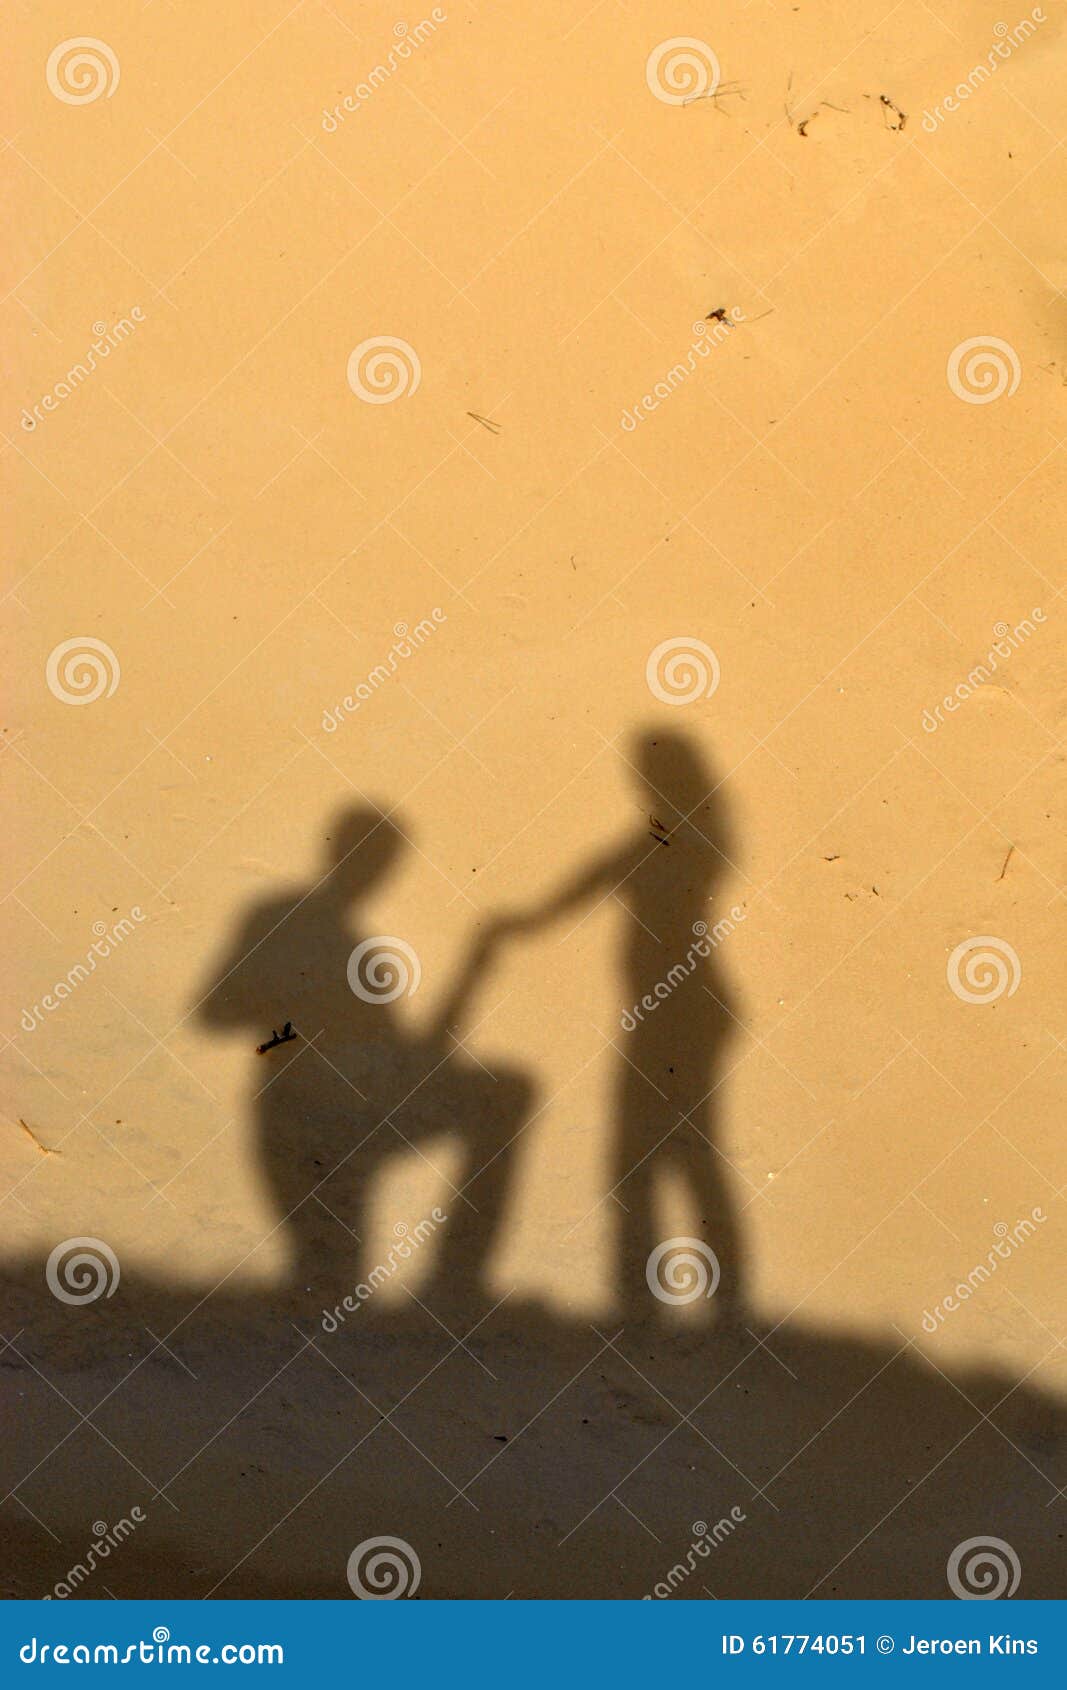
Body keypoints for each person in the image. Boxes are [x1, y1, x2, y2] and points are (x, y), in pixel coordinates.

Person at [197, 804, 534, 1300]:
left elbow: (415, 1059)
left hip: (365, 1113)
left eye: (383, 862)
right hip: (301, 1117)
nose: (373, 874)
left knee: (507, 1092)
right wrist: (297, 1026)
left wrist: (472, 974)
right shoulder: (278, 919)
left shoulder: (369, 956)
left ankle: (454, 1282)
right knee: (332, 1287)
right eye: (368, 857)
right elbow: (215, 1014)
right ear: (336, 852)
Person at [488, 730, 746, 1322]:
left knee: (650, 1156)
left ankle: (664, 1310)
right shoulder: (696, 830)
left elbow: (597, 877)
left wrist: (520, 925)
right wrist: (525, 923)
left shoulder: (675, 834)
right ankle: (712, 1309)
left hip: (679, 1012)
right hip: (689, 1010)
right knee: (680, 1153)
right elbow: (602, 875)